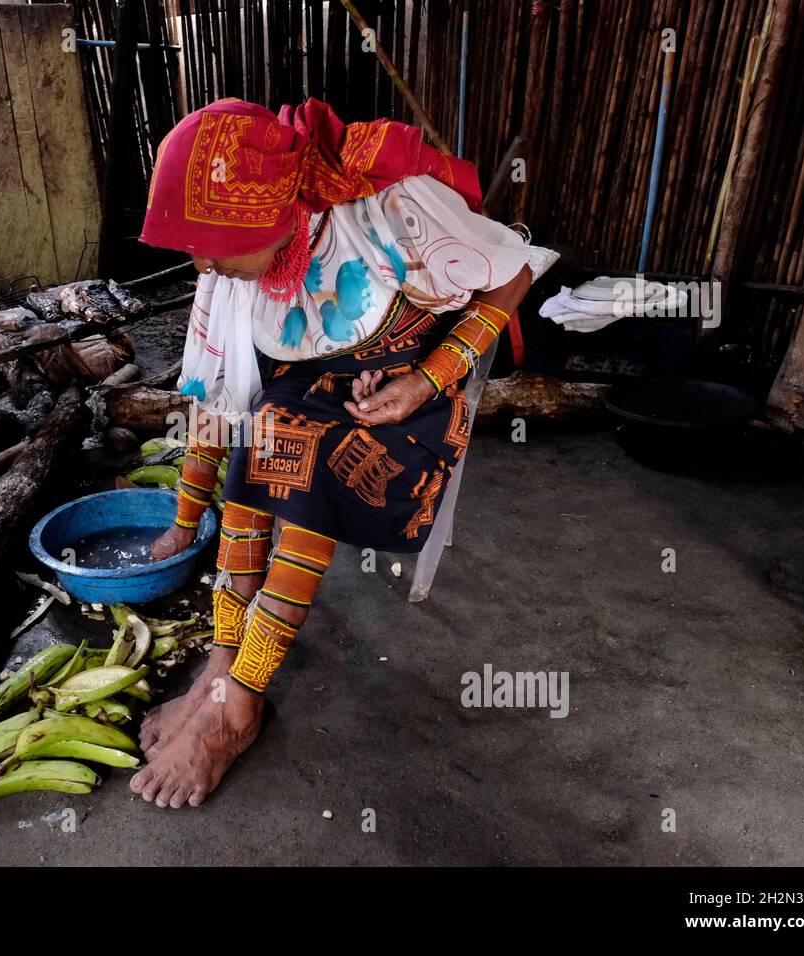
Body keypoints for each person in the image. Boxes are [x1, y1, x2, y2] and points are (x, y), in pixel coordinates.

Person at [130, 97, 550, 809]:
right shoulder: (228, 271)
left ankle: (239, 705)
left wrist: (428, 377)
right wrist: (184, 515)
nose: (199, 260)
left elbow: (513, 271)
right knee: (259, 441)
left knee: (301, 464)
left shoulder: (389, 214)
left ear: (271, 217)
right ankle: (223, 665)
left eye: (208, 243)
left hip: (409, 406)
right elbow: (214, 399)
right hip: (313, 397)